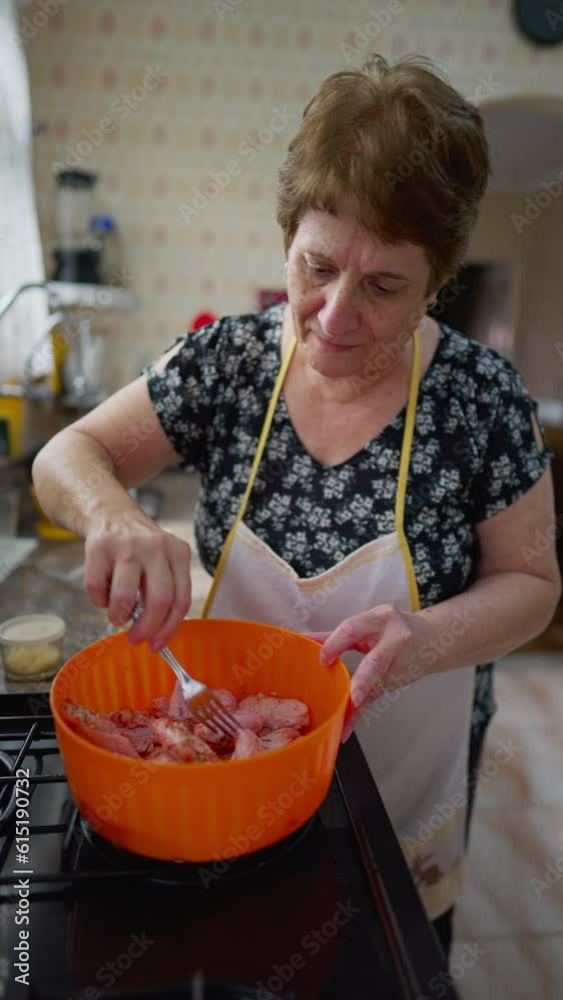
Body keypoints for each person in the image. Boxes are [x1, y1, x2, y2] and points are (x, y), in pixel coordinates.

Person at [32, 54, 561, 958]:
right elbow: (64, 455)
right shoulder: (226, 365)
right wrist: (114, 514)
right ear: (287, 237)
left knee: (378, 961)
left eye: (384, 287)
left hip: (401, 782)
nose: (333, 315)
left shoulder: (482, 400)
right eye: (316, 268)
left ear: (437, 280)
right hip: (223, 783)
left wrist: (424, 638)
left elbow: (533, 583)